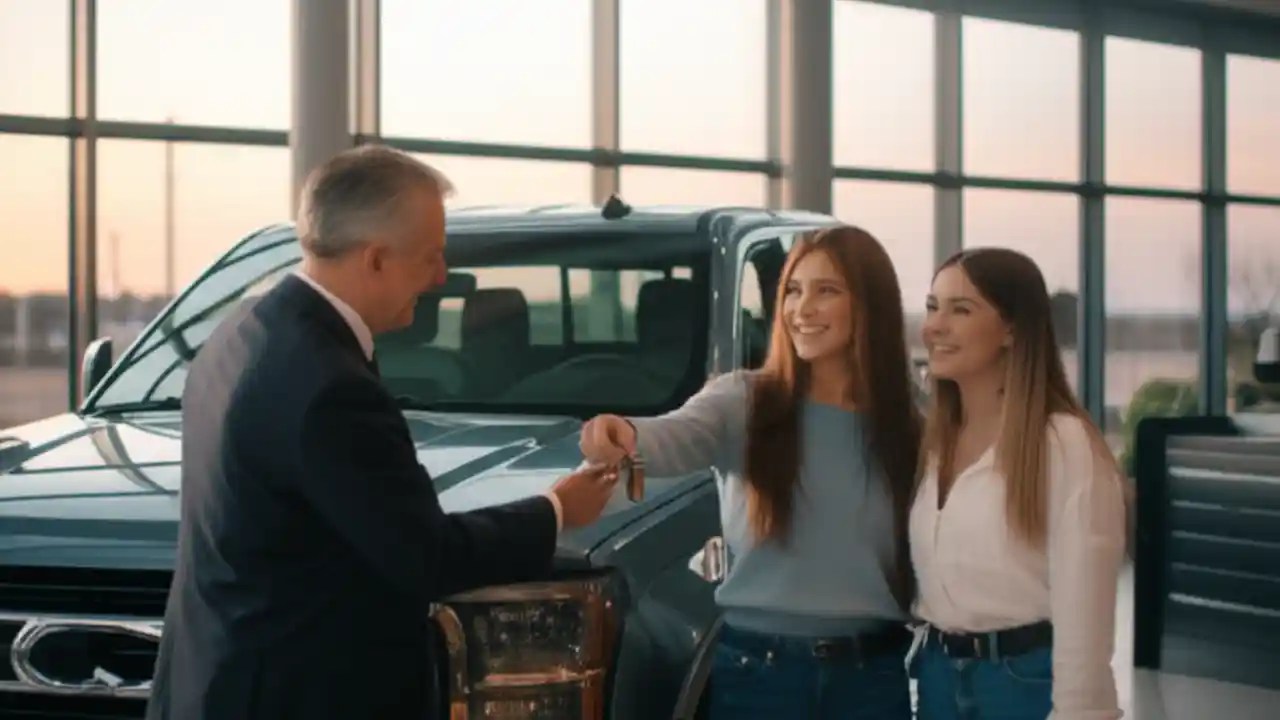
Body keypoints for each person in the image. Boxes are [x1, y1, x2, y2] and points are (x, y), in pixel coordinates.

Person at [146, 146, 618, 720]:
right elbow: (427, 556)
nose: (443, 276)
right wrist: (557, 508)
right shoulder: (328, 386)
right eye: (430, 257)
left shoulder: (240, 333)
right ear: (375, 260)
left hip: (214, 683)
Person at [579, 226, 922, 719]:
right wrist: (619, 433)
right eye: (793, 291)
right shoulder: (744, 401)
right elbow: (670, 437)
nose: (802, 309)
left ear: (871, 306)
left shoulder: (909, 426)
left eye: (827, 291)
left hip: (873, 676)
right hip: (762, 673)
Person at [908, 247, 1127, 720]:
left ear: (1011, 330)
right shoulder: (937, 442)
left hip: (1024, 687)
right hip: (939, 680)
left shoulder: (1063, 444)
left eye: (960, 310)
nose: (934, 326)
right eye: (932, 307)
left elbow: (1085, 618)